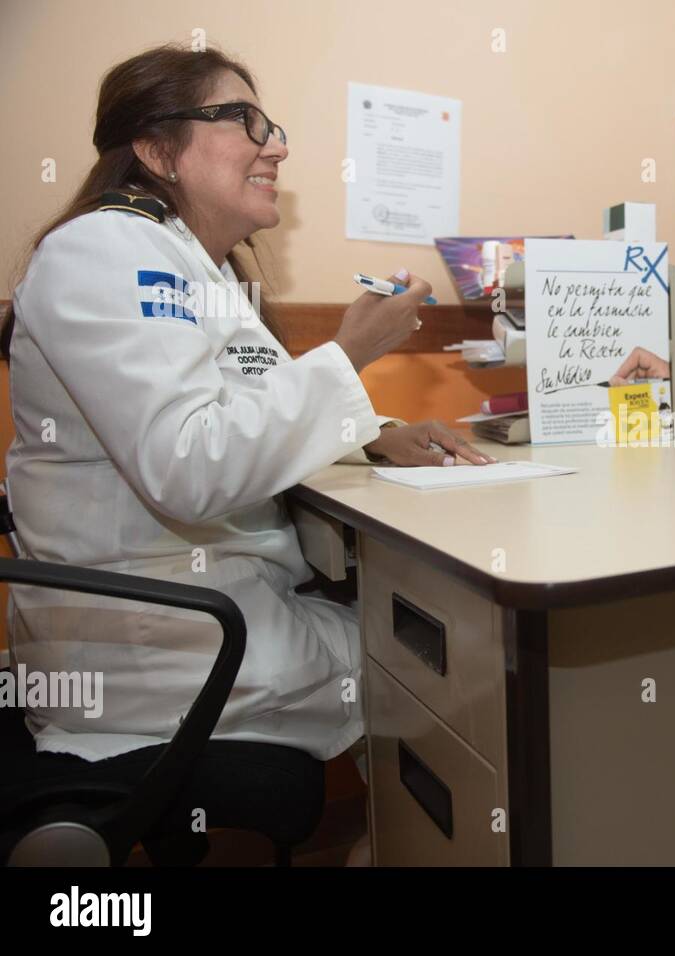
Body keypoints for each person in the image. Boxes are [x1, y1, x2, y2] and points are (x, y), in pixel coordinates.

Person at [1, 44, 491, 764]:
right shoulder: (105, 249)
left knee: (419, 632)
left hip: (209, 605)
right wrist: (348, 354)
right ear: (157, 149)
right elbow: (188, 464)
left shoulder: (195, 269)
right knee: (454, 654)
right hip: (158, 643)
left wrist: (372, 436)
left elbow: (244, 410)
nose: (278, 148)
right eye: (244, 121)